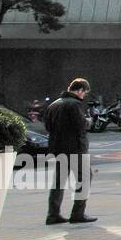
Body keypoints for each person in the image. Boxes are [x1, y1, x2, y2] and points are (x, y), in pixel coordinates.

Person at [43, 78, 97, 225]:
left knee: (58, 182)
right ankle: (78, 214)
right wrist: (88, 121)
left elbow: (47, 127)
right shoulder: (75, 104)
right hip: (76, 148)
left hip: (58, 148)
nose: (83, 96)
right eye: (84, 93)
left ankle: (53, 215)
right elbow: (80, 125)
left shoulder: (54, 105)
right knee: (84, 178)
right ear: (80, 90)